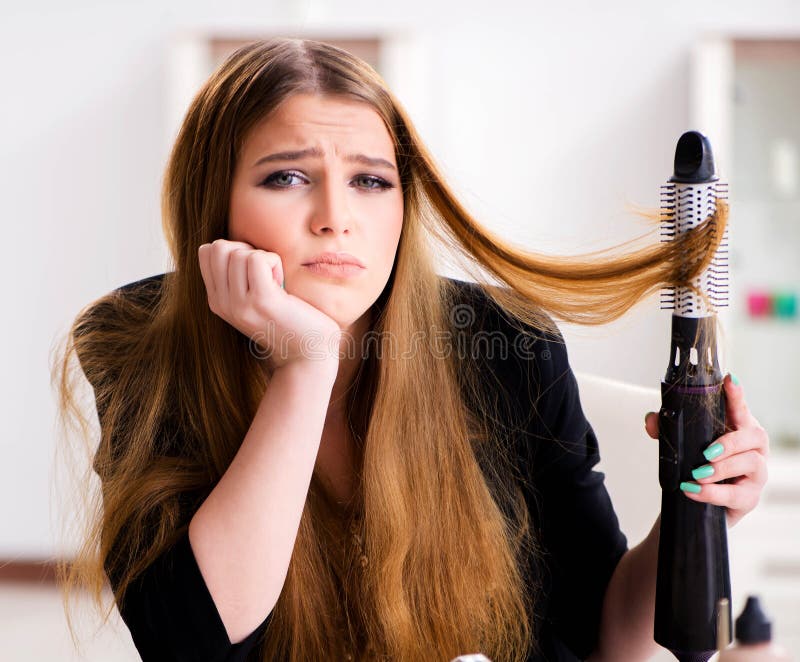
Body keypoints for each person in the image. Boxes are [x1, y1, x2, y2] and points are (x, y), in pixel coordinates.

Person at [54, 38, 770, 662]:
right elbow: (191, 643)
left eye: (371, 181)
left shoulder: (508, 345)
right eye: (287, 177)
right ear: (213, 202)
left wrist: (693, 519)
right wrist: (306, 366)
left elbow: (608, 642)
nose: (337, 219)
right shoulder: (137, 342)